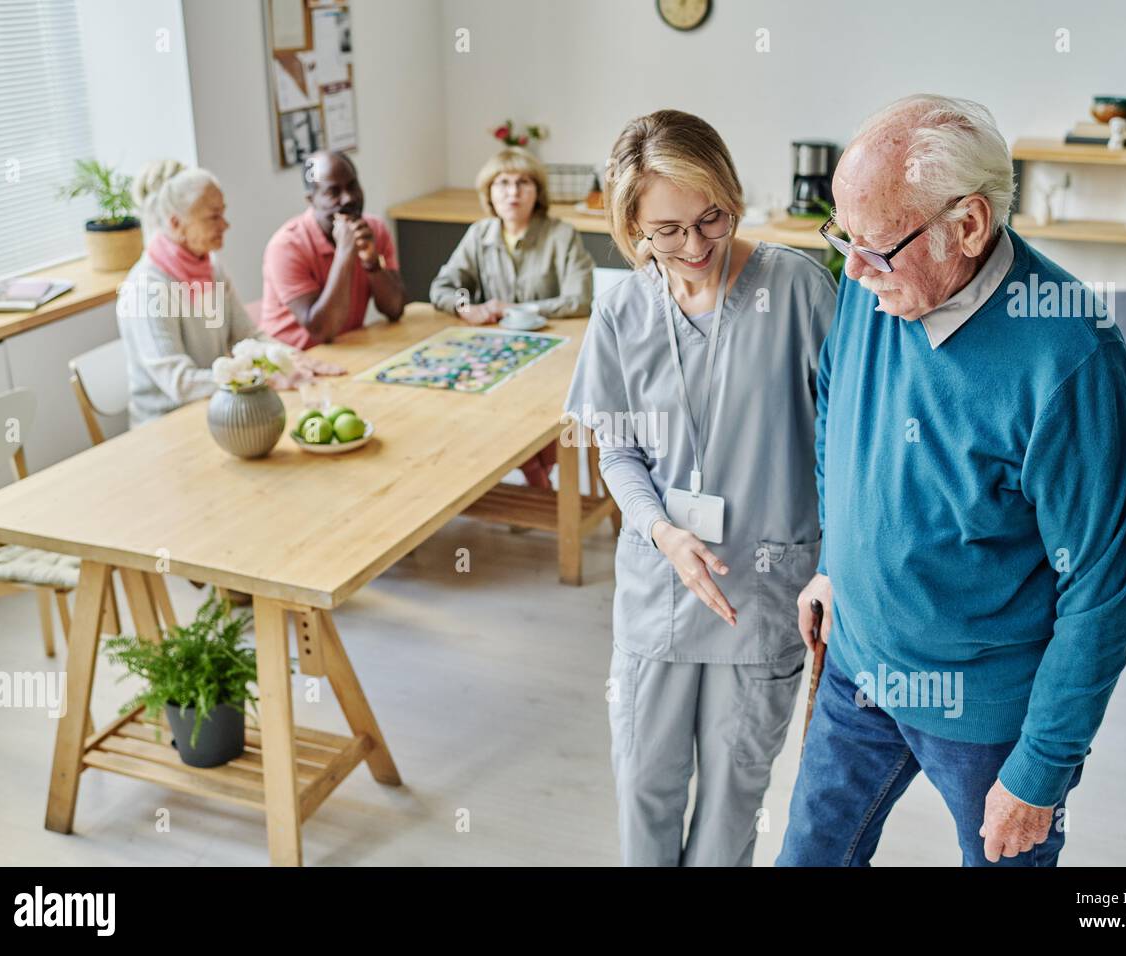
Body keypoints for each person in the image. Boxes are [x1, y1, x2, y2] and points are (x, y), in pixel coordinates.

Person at [778, 95, 1126, 867]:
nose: (852, 267)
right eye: (840, 236)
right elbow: (839, 418)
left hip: (983, 713)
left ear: (968, 225)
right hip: (856, 669)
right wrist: (834, 563)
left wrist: (1041, 772)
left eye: (873, 246)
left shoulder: (1071, 355)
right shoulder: (875, 286)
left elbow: (1102, 589)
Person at [564, 110, 836, 866]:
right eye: (666, 230)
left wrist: (835, 565)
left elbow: (847, 443)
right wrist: (662, 530)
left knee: (730, 805)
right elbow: (616, 449)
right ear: (631, 226)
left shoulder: (800, 290)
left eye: (711, 217)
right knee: (644, 788)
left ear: (731, 192)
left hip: (763, 588)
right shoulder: (621, 308)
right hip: (658, 589)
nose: (693, 247)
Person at [117, 160, 336, 428]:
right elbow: (180, 384)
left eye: (223, 213)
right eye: (213, 217)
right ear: (176, 223)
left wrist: (292, 358)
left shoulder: (210, 267)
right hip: (165, 426)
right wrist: (262, 378)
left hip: (218, 409)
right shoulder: (147, 289)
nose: (226, 225)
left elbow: (246, 335)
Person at [431, 147, 594, 488]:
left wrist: (519, 310)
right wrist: (465, 306)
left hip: (553, 356)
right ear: (489, 193)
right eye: (502, 183)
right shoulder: (480, 234)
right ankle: (532, 478)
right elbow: (445, 286)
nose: (513, 192)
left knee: (539, 409)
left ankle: (536, 474)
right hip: (498, 353)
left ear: (538, 192)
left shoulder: (561, 235)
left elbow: (579, 300)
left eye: (523, 183)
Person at [260, 150, 407, 349]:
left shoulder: (375, 230)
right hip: (293, 361)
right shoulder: (286, 246)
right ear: (311, 200)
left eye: (352, 186)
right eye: (333, 192)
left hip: (344, 349)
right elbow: (322, 330)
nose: (348, 199)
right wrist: (345, 252)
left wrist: (372, 263)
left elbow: (395, 309)